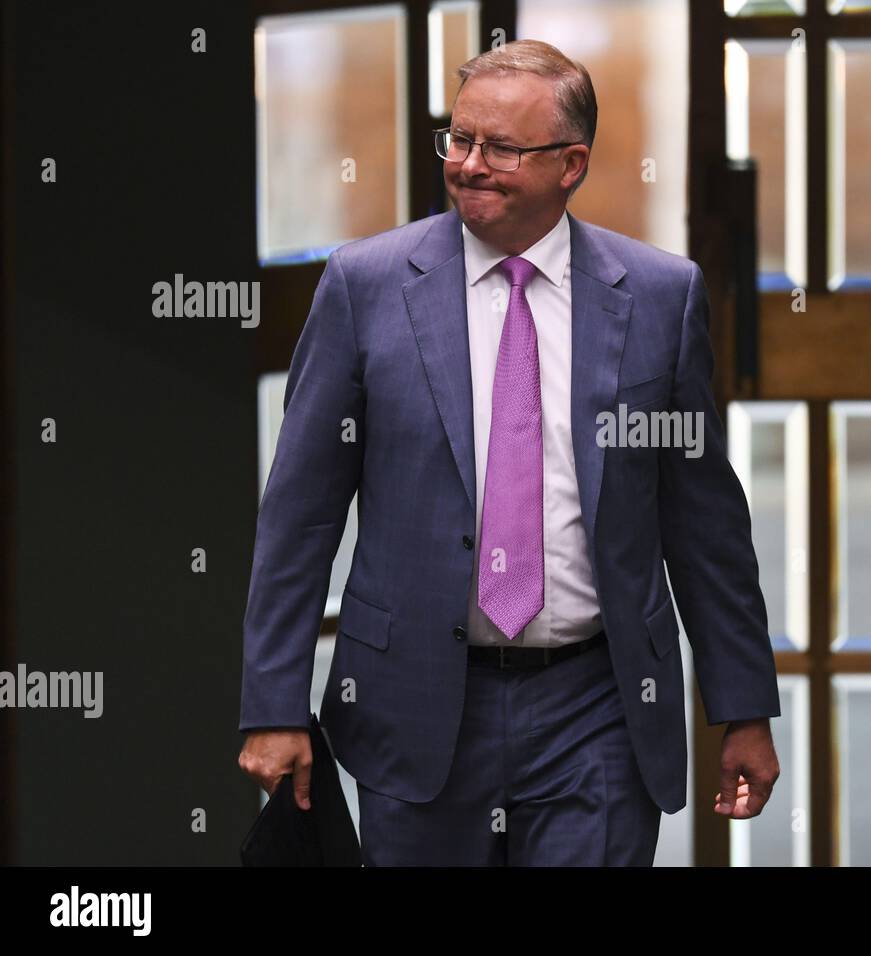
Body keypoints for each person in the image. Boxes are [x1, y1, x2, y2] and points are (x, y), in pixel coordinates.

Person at [237, 38, 780, 866]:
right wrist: (273, 702)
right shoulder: (364, 286)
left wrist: (743, 706)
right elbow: (299, 513)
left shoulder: (661, 299)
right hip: (413, 704)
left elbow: (702, 519)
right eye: (459, 140)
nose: (469, 165)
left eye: (499, 147)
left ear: (572, 163)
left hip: (596, 706)